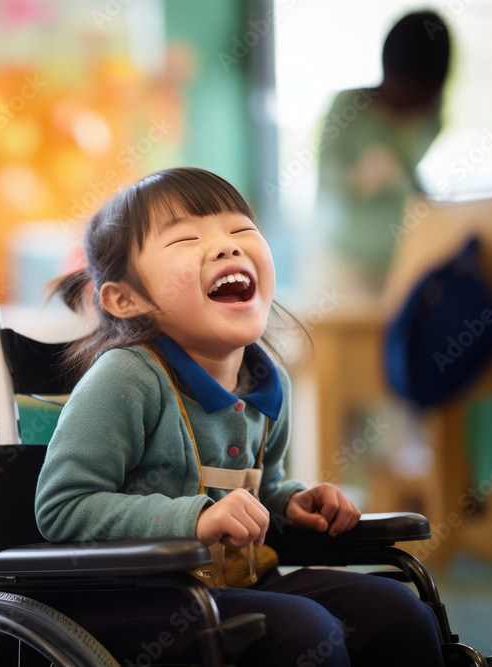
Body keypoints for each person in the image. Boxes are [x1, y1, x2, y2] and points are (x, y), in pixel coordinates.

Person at [35, 167, 445, 666]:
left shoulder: (268, 383)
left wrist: (292, 502)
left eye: (241, 230)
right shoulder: (127, 378)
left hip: (237, 583)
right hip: (134, 601)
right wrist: (198, 516)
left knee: (397, 609)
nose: (227, 247)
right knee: (305, 631)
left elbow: (258, 495)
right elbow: (62, 507)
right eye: (186, 237)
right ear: (126, 299)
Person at [315, 10, 451, 299]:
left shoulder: (430, 116)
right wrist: (359, 178)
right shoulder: (349, 108)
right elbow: (328, 179)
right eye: (403, 88)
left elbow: (410, 179)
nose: (408, 102)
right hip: (346, 265)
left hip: (408, 259)